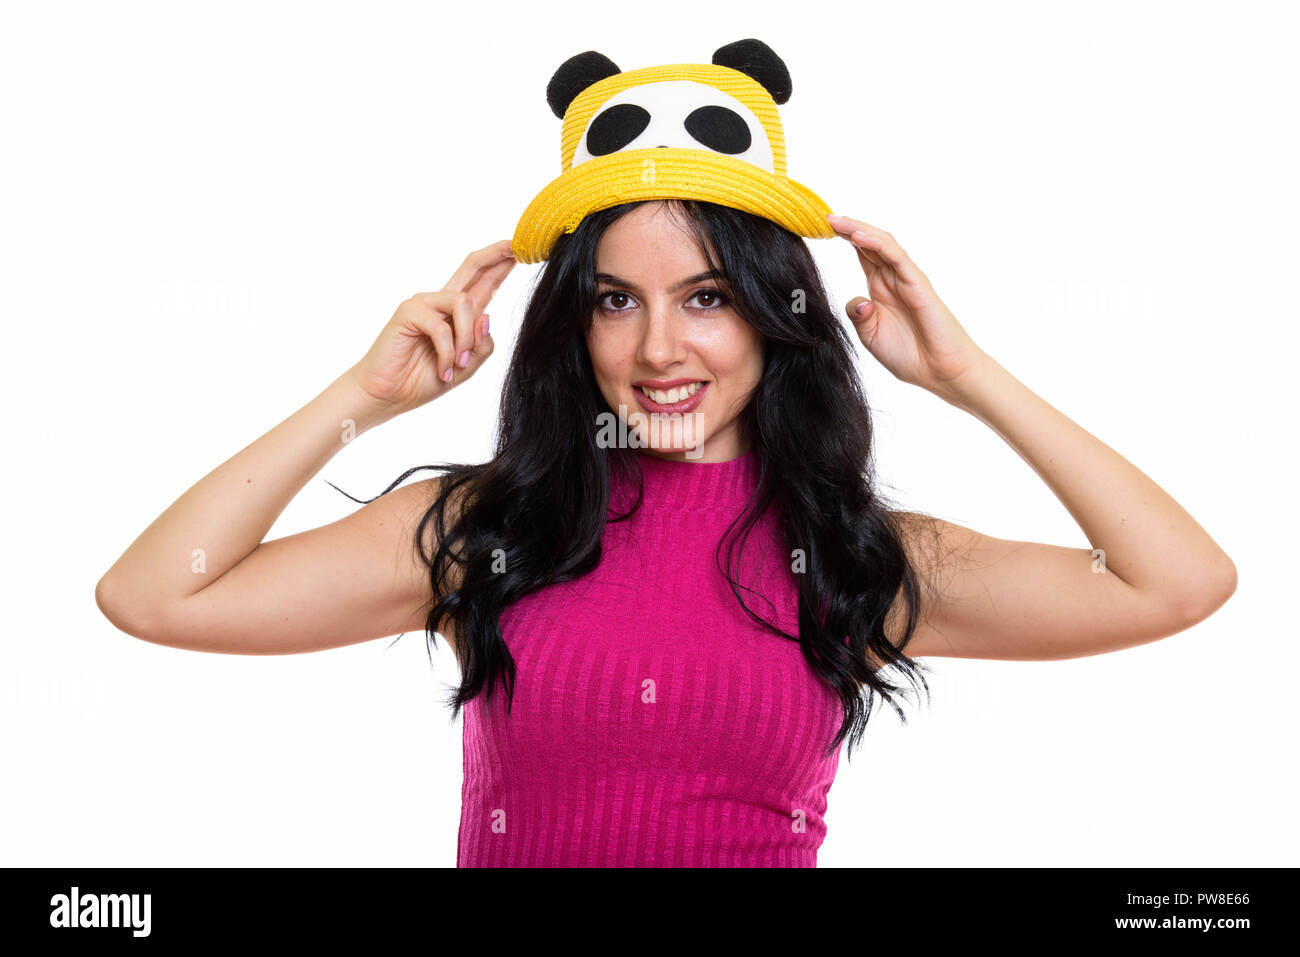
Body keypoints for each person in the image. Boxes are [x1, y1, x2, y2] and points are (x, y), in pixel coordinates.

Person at [94, 41, 1236, 867]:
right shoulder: (483, 533)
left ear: (769, 313)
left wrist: (965, 377)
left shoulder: (847, 559)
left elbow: (1176, 581)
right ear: (573, 326)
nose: (656, 349)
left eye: (703, 297)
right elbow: (151, 598)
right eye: (612, 300)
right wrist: (359, 397)